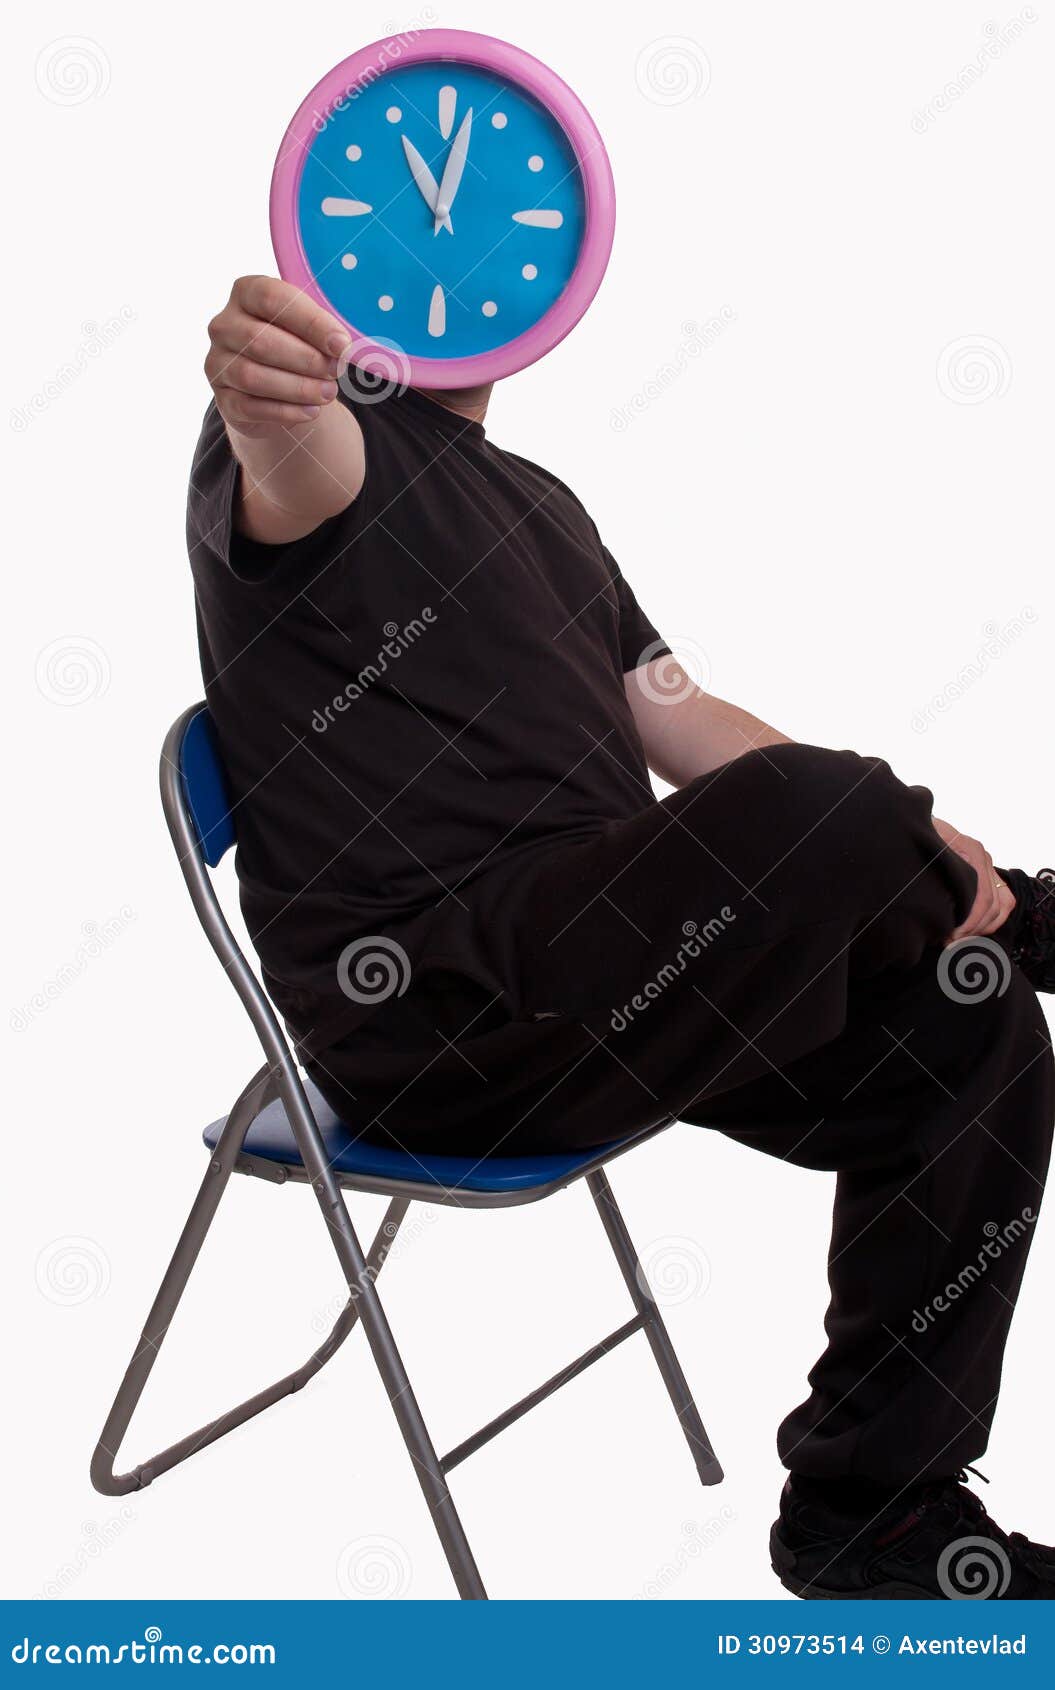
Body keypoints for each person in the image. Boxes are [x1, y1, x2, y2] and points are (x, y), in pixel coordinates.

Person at [188, 274, 1055, 1599]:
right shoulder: (333, 444)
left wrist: (927, 856)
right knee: (830, 803)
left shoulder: (543, 504)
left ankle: (871, 1516)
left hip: (607, 974)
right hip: (437, 1010)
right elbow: (290, 452)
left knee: (970, 1016)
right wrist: (270, 394)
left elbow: (682, 715)